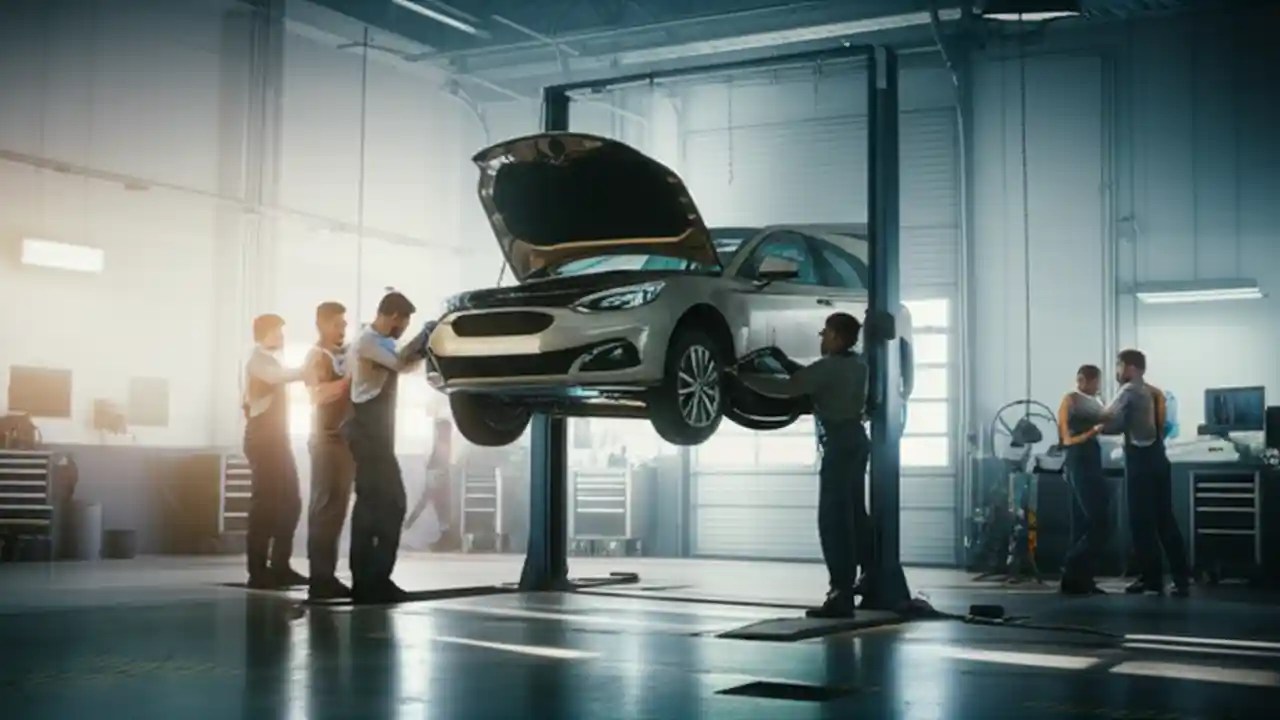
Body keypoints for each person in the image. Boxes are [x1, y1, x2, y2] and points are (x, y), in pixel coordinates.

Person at [736, 312, 870, 618]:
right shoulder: (859, 364)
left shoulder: (828, 368)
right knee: (855, 515)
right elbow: (810, 377)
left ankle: (841, 594)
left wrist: (739, 378)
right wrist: (784, 363)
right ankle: (866, 576)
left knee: (833, 521)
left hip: (838, 445)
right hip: (857, 442)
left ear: (836, 335)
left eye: (824, 333)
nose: (822, 338)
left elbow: (788, 389)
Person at [345, 291, 433, 604]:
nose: (403, 328)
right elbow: (398, 364)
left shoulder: (383, 343)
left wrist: (424, 346)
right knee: (380, 505)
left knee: (383, 506)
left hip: (378, 436)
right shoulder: (367, 341)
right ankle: (369, 581)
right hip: (367, 433)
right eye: (404, 322)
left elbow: (405, 366)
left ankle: (374, 581)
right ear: (393, 316)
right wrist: (424, 337)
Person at [1096, 349, 1190, 597]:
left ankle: (1152, 580)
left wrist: (1080, 413)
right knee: (1164, 520)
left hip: (1140, 462)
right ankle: (1181, 579)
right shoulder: (1152, 392)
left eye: (1119, 366)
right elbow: (1121, 424)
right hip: (1158, 459)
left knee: (1141, 522)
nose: (1117, 372)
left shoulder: (1128, 390)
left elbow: (1106, 416)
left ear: (1130, 367)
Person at [242, 314, 308, 589]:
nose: (282, 336)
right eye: (278, 331)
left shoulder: (273, 360)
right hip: (263, 440)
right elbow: (279, 377)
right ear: (264, 333)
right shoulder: (258, 361)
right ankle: (257, 571)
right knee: (265, 504)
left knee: (291, 501)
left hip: (278, 440)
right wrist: (310, 368)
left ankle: (280, 565)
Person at [303, 301, 354, 600]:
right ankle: (319, 580)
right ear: (322, 324)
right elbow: (317, 394)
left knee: (336, 512)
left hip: (344, 440)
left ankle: (327, 576)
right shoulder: (316, 357)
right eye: (337, 323)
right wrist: (350, 381)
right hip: (325, 439)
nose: (342, 328)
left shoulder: (340, 356)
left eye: (344, 324)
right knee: (324, 509)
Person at [1056, 364, 1108, 596]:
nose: (1098, 387)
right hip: (1081, 461)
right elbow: (1068, 438)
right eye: (1096, 382)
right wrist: (1095, 430)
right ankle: (1072, 565)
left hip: (1086, 461)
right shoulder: (1072, 400)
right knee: (1100, 521)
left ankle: (1079, 580)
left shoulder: (1089, 402)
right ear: (1082, 380)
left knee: (1081, 524)